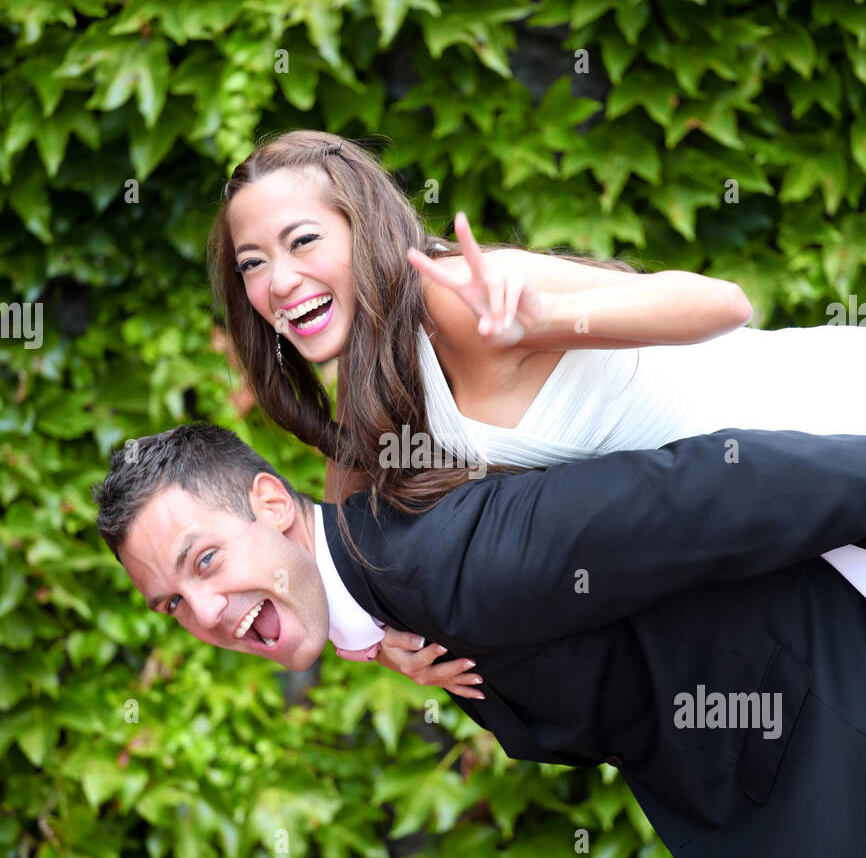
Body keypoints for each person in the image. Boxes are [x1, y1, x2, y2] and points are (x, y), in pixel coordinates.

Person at [95, 420, 866, 858]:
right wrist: (364, 640)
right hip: (750, 804)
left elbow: (700, 490)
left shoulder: (448, 556)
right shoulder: (374, 587)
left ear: (270, 502)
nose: (202, 615)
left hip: (829, 743)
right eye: (171, 604)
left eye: (202, 563)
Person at [207, 129, 866, 697]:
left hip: (822, 424)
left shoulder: (454, 303)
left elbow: (723, 304)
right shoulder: (365, 396)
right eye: (253, 264)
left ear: (363, 227)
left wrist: (547, 319)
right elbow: (345, 556)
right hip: (775, 519)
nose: (280, 281)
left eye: (303, 241)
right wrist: (386, 648)